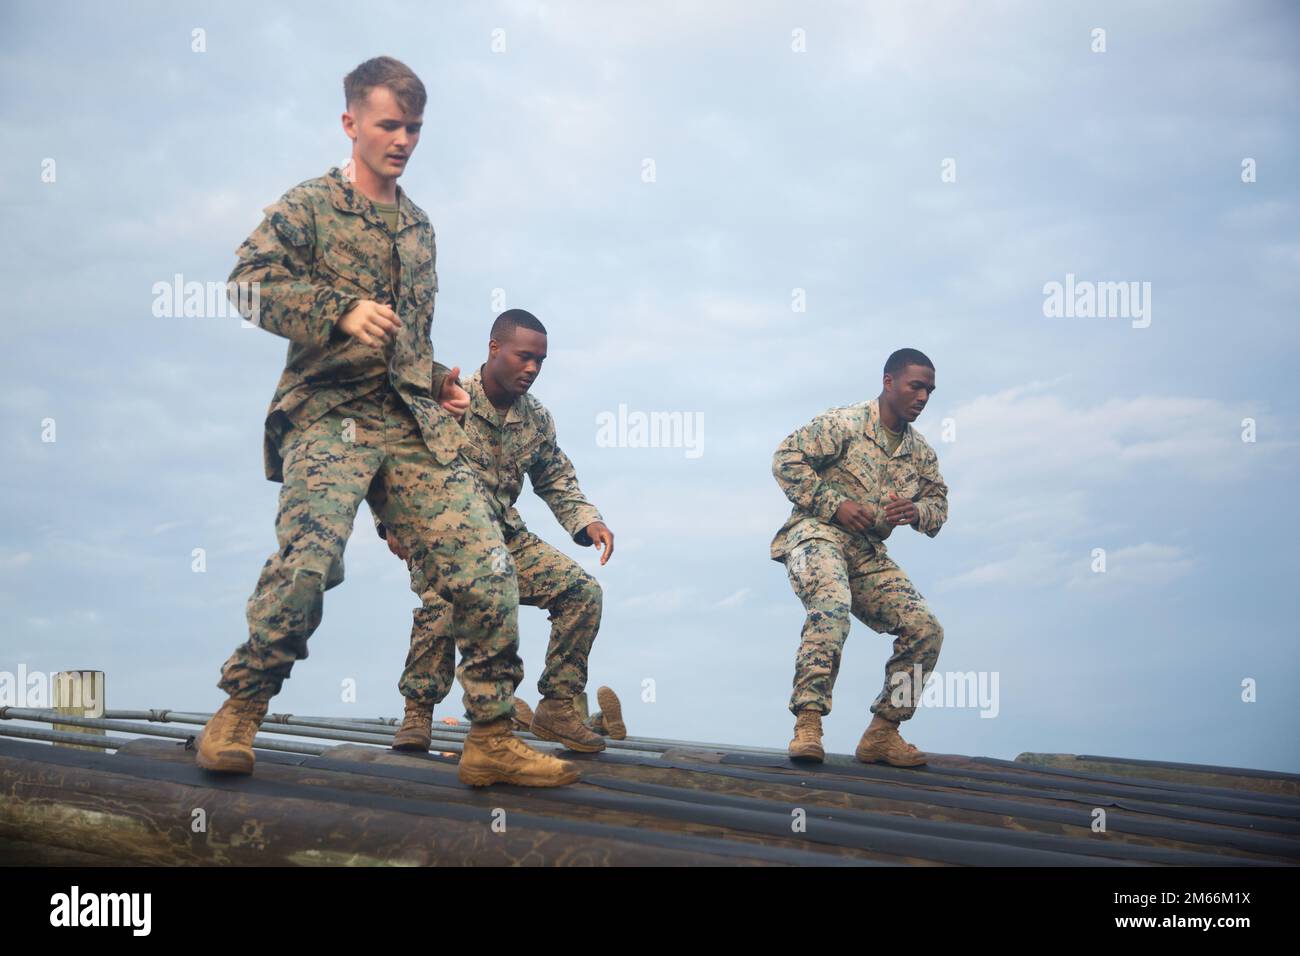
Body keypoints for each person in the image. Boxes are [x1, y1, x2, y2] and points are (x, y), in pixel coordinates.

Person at [195, 57, 578, 788]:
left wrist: (438, 382)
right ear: (351, 124)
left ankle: (492, 735)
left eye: (413, 128)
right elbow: (247, 285)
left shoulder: (420, 230)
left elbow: (408, 341)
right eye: (388, 125)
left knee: (487, 564)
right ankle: (241, 708)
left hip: (408, 425)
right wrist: (335, 309)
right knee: (309, 567)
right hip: (329, 417)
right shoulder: (309, 206)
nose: (401, 139)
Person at [379, 310, 622, 752]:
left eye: (540, 361)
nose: (532, 369)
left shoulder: (536, 418)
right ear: (494, 349)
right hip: (441, 538)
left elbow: (555, 477)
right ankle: (418, 714)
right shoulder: (448, 399)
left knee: (582, 592)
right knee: (444, 602)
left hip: (505, 539)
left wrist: (589, 521)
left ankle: (558, 707)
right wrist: (391, 524)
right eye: (524, 357)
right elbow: (396, 461)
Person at [770, 348, 948, 766]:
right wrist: (834, 504)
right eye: (915, 386)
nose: (922, 397)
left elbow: (938, 503)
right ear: (889, 383)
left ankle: (883, 733)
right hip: (816, 534)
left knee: (925, 629)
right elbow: (786, 459)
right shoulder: (844, 424)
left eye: (929, 391)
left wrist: (917, 511)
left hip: (867, 552)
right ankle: (808, 723)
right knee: (831, 606)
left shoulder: (919, 452)